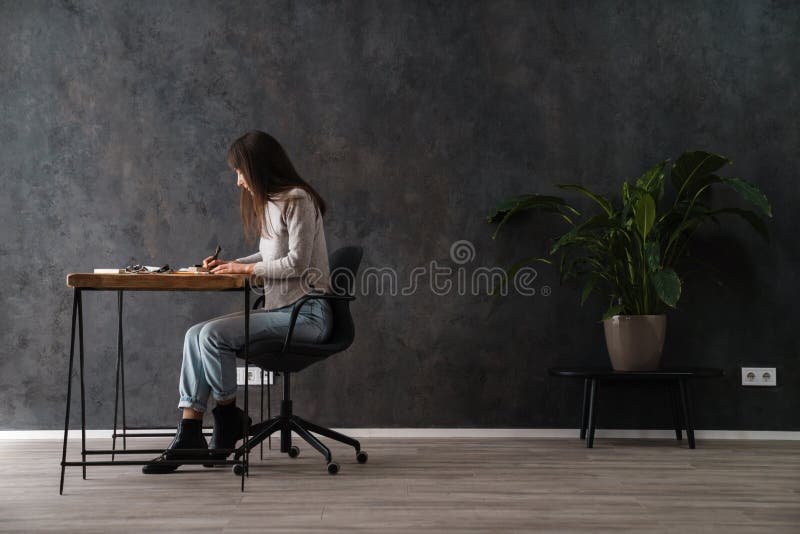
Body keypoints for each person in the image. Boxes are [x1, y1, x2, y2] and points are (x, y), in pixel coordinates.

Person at [143, 130, 334, 474]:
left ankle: (228, 417)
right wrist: (228, 265)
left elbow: (298, 264)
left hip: (307, 314)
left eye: (240, 172)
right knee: (193, 335)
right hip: (280, 311)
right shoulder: (272, 204)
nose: (238, 182)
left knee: (212, 336)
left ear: (258, 168)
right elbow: (267, 256)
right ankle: (190, 431)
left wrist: (244, 269)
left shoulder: (297, 200)